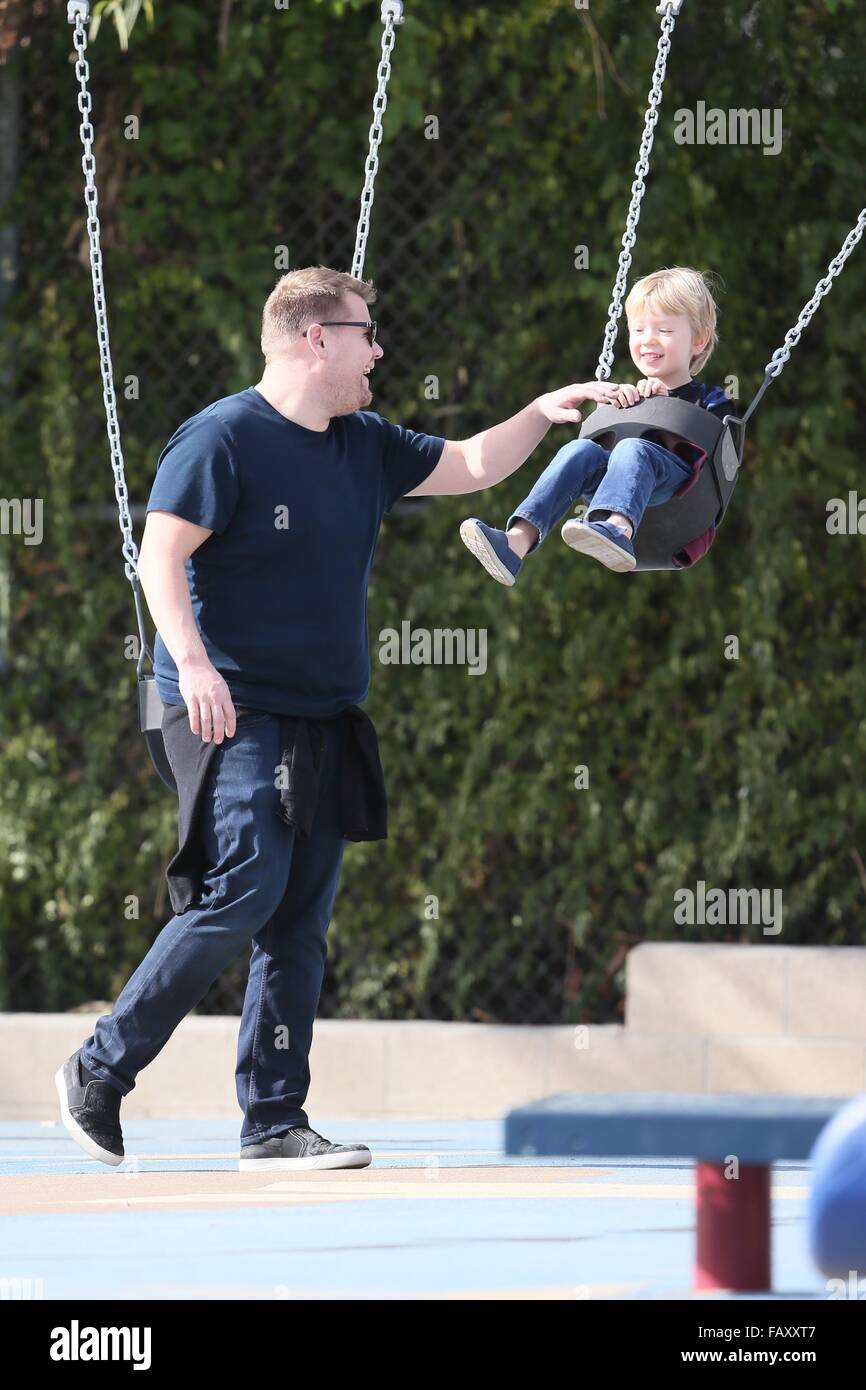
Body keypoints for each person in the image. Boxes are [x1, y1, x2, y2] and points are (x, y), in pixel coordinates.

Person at [55, 265, 599, 1172]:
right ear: (317, 338)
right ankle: (99, 1068)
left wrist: (543, 411)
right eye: (366, 334)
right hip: (221, 703)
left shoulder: (366, 442)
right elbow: (160, 557)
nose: (379, 349)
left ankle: (273, 1123)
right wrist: (191, 665)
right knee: (250, 886)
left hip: (320, 714)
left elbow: (467, 464)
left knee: (299, 914)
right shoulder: (223, 437)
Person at [459, 266, 735, 579]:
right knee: (579, 450)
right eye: (639, 330)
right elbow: (604, 448)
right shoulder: (628, 395)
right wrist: (629, 407)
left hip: (682, 490)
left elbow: (715, 454)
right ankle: (515, 542)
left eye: (664, 331)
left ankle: (617, 528)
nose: (648, 341)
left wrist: (665, 403)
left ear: (698, 341)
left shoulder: (711, 399)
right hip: (621, 479)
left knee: (633, 448)